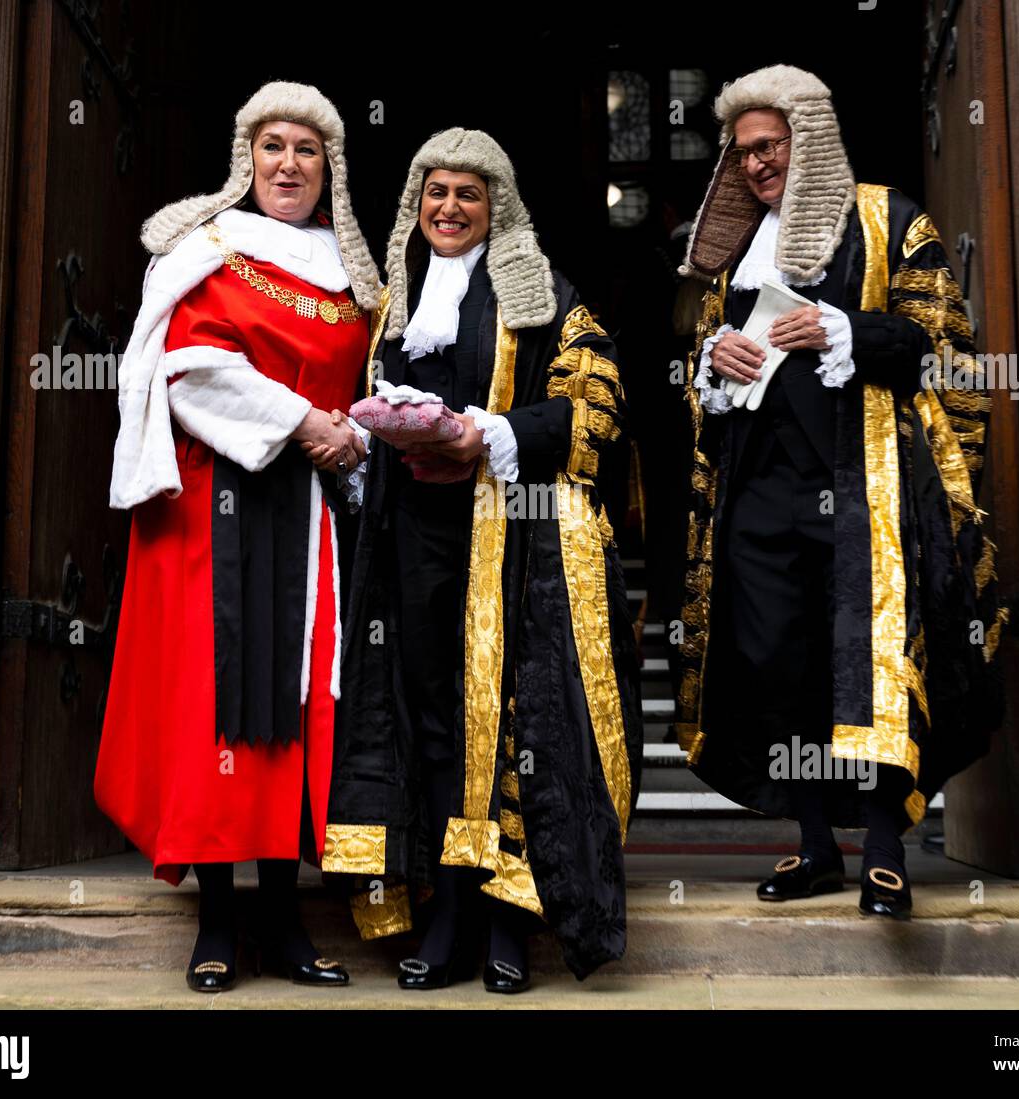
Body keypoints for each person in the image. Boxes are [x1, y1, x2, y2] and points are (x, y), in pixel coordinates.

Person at [671, 65, 1006, 920]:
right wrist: (713, 365)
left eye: (769, 146)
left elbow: (941, 343)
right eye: (741, 153)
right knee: (779, 661)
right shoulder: (731, 262)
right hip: (757, 495)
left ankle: (886, 850)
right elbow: (701, 380)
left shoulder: (889, 219)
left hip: (862, 481)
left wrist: (847, 328)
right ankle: (815, 845)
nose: (754, 165)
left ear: (808, 137)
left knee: (870, 651)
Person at [322, 128, 643, 992]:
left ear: (495, 206)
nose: (450, 208)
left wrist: (487, 433)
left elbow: (594, 401)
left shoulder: (542, 296)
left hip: (507, 543)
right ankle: (450, 907)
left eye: (468, 194)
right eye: (436, 194)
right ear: (415, 207)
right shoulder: (393, 303)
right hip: (409, 544)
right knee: (429, 718)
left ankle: (506, 921)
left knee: (502, 727)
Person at [94, 81, 381, 992]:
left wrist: (353, 435)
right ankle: (219, 921)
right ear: (245, 160)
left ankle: (282, 919)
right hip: (219, 506)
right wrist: (305, 421)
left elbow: (378, 380)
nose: (288, 164)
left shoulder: (357, 274)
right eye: (272, 147)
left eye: (306, 149)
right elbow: (188, 368)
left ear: (329, 166)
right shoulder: (207, 253)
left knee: (296, 709)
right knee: (217, 706)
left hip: (311, 512)